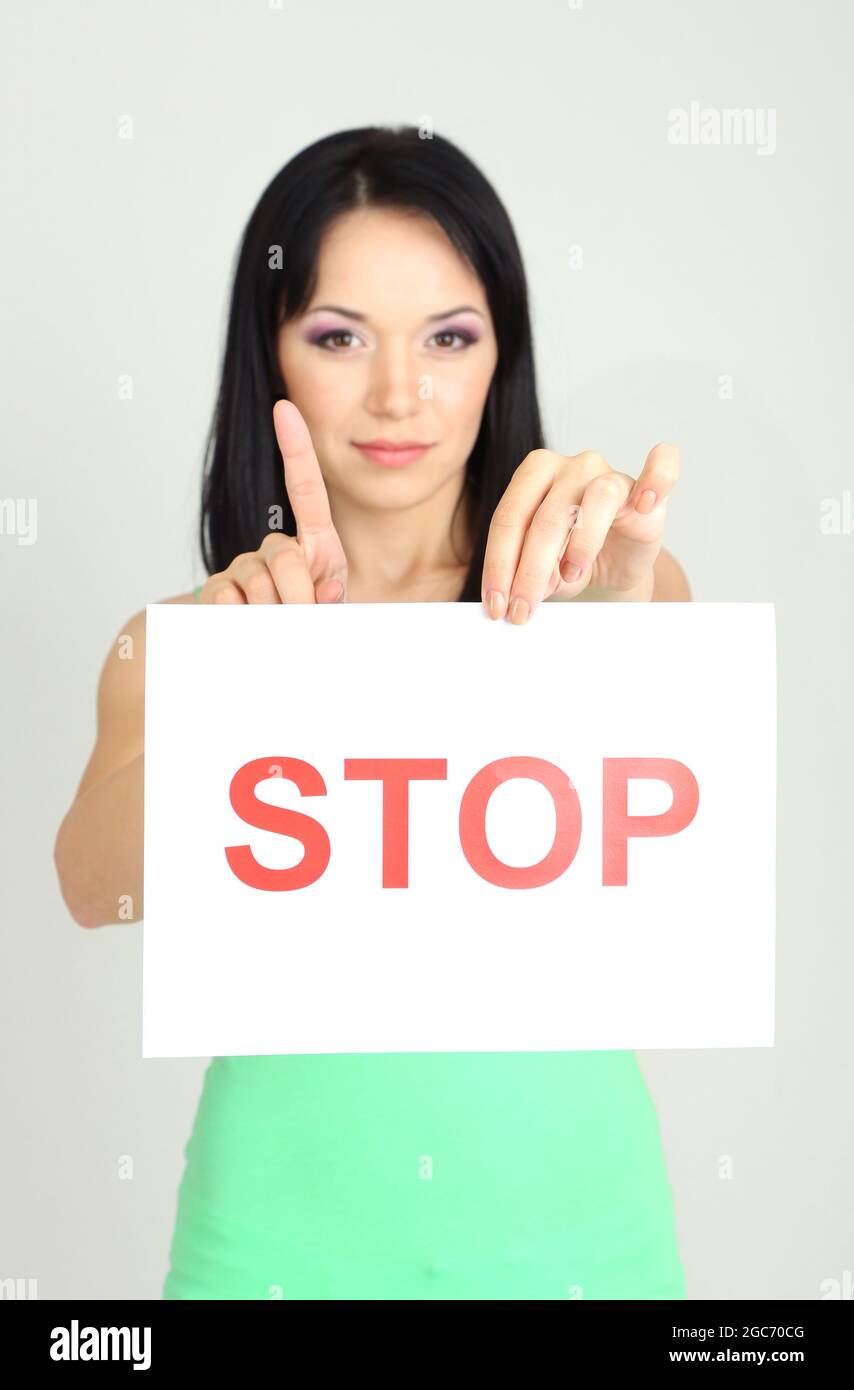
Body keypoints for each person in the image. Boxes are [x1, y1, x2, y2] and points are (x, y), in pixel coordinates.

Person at [54, 125, 692, 1300]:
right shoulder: (189, 637)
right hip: (275, 1260)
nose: (399, 393)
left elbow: (680, 761)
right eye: (339, 336)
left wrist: (623, 586)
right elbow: (96, 889)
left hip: (581, 1257)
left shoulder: (607, 584)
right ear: (274, 357)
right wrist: (245, 697)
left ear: (501, 355)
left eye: (448, 337)